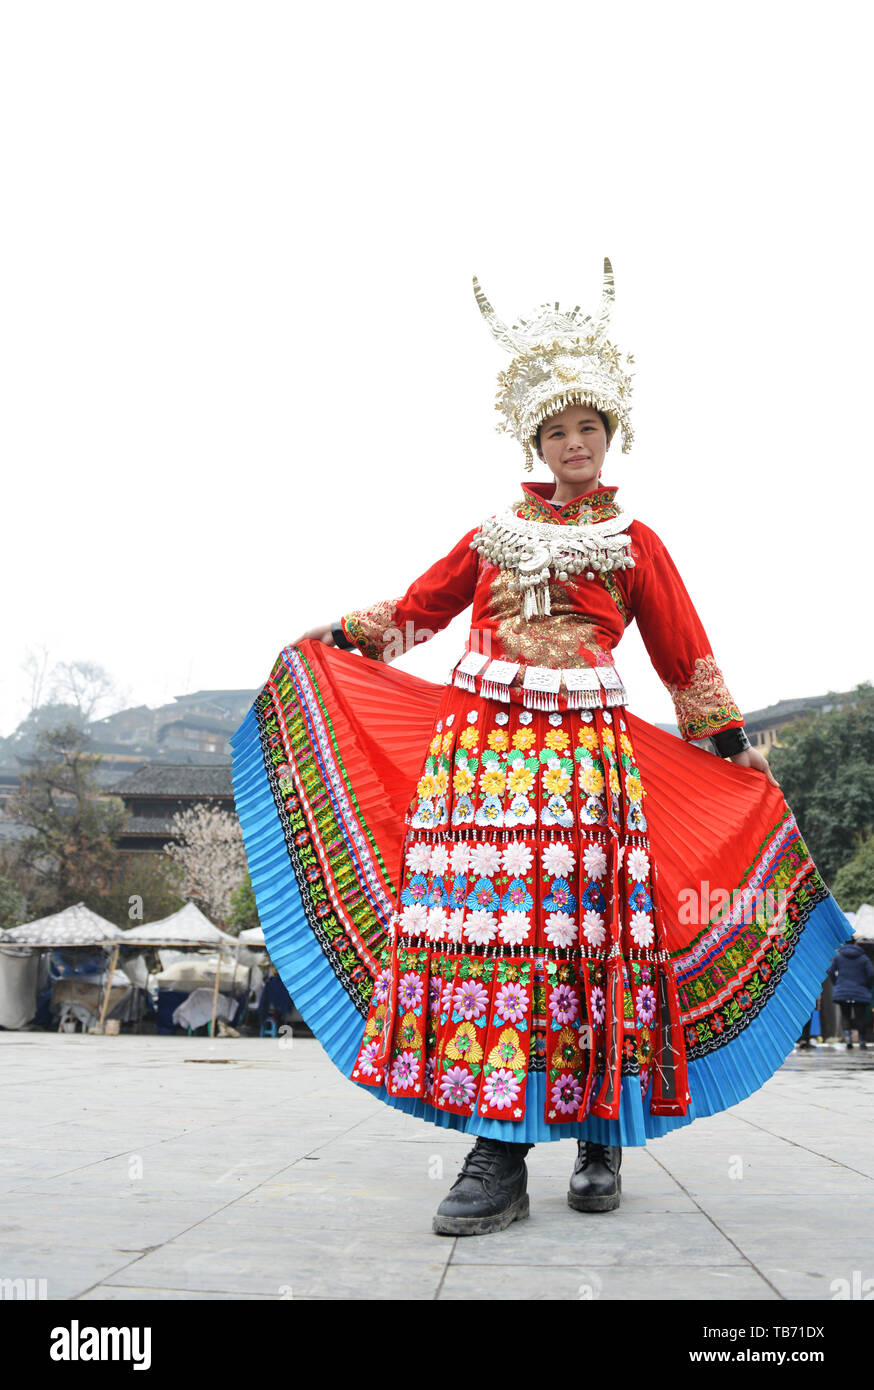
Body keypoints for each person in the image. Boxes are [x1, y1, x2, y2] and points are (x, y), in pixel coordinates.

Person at [231, 258, 853, 1237]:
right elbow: (414, 614)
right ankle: (498, 1146)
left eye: (588, 427)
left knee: (586, 944)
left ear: (614, 436)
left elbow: (685, 657)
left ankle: (601, 1127)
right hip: (479, 771)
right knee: (493, 945)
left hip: (585, 776)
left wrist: (737, 756)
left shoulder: (638, 543)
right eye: (557, 430)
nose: (573, 442)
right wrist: (333, 640)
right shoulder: (490, 535)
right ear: (535, 440)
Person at [827, 939, 874, 1048]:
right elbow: (871, 974)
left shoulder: (838, 957)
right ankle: (862, 1041)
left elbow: (830, 971)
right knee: (860, 1016)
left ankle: (848, 1040)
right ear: (854, 944)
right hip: (860, 991)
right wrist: (868, 985)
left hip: (842, 991)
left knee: (845, 1015)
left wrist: (837, 983)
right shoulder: (863, 958)